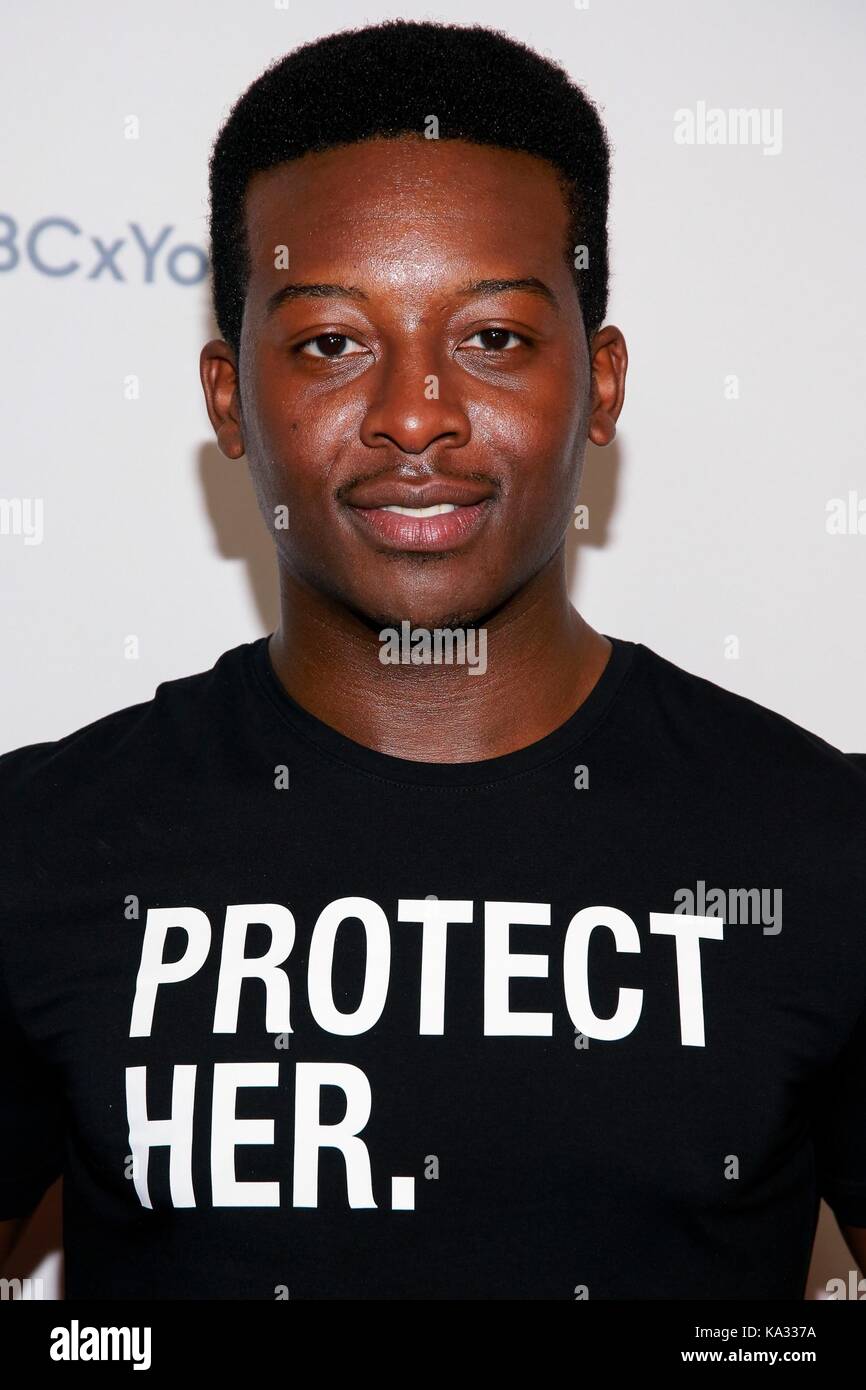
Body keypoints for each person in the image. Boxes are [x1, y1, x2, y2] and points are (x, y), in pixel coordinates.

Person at [1, 19, 864, 1301]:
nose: (414, 414)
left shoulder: (821, 846)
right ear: (230, 397)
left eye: (495, 337)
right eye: (332, 341)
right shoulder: (42, 846)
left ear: (602, 382)